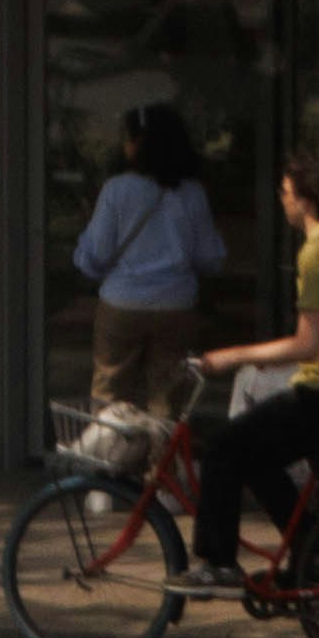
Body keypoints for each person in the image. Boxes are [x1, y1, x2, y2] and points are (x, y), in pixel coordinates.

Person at [185, 150, 319, 589]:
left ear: (307, 201)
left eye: (287, 193)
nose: (282, 199)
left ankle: (218, 562)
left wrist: (234, 356)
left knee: (220, 450)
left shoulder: (317, 255)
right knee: (256, 461)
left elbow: (307, 344)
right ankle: (315, 555)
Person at [67, 104, 231, 455]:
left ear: (139, 143)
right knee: (167, 399)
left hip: (121, 304)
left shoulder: (116, 190)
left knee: (110, 393)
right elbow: (210, 258)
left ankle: (105, 477)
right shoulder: (192, 194)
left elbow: (95, 255)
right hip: (176, 306)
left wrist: (81, 259)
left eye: (127, 138)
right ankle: (162, 476)